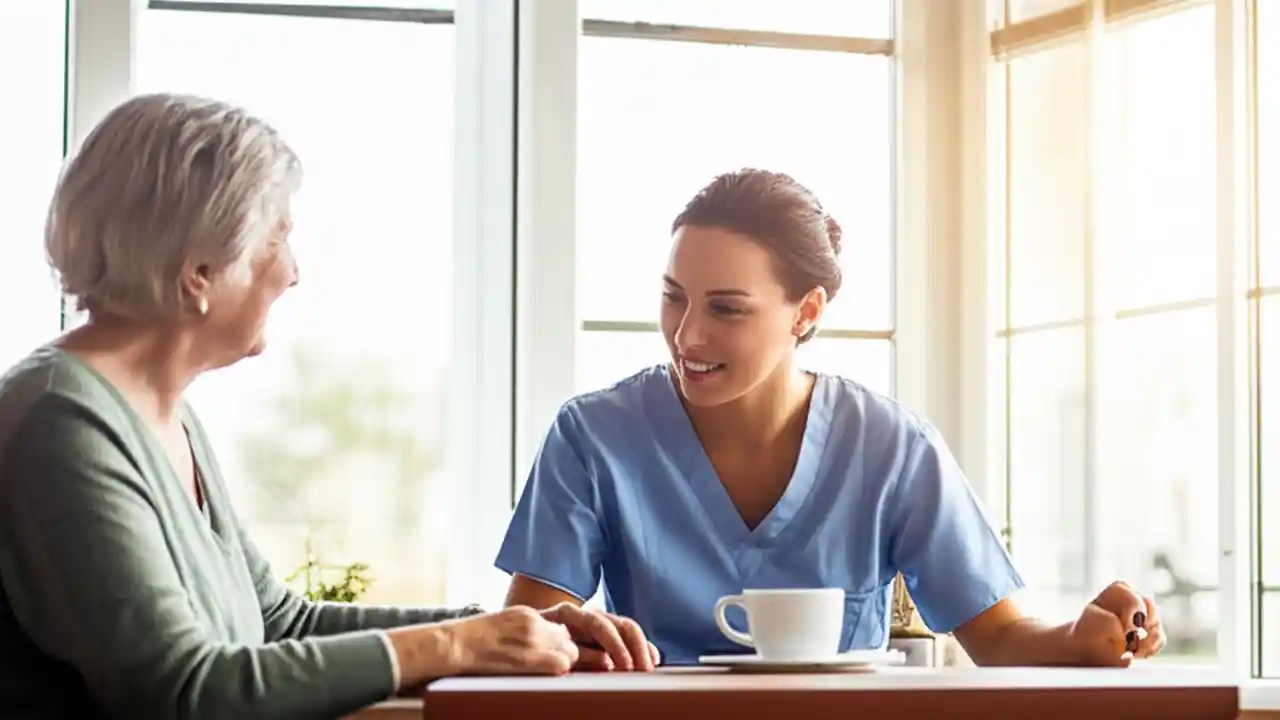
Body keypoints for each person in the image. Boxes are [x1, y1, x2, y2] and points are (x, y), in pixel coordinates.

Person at [0, 93, 655, 720]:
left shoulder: (163, 414)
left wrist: (503, 629)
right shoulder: (62, 422)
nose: (293, 271)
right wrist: (460, 645)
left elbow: (279, 623)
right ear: (200, 273)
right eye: (277, 239)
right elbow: (188, 693)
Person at [498, 168, 1167, 667]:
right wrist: (568, 640)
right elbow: (526, 635)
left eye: (726, 309)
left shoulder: (892, 448)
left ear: (807, 312)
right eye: (674, 297)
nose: (686, 335)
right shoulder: (593, 437)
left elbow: (999, 637)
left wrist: (1082, 639)